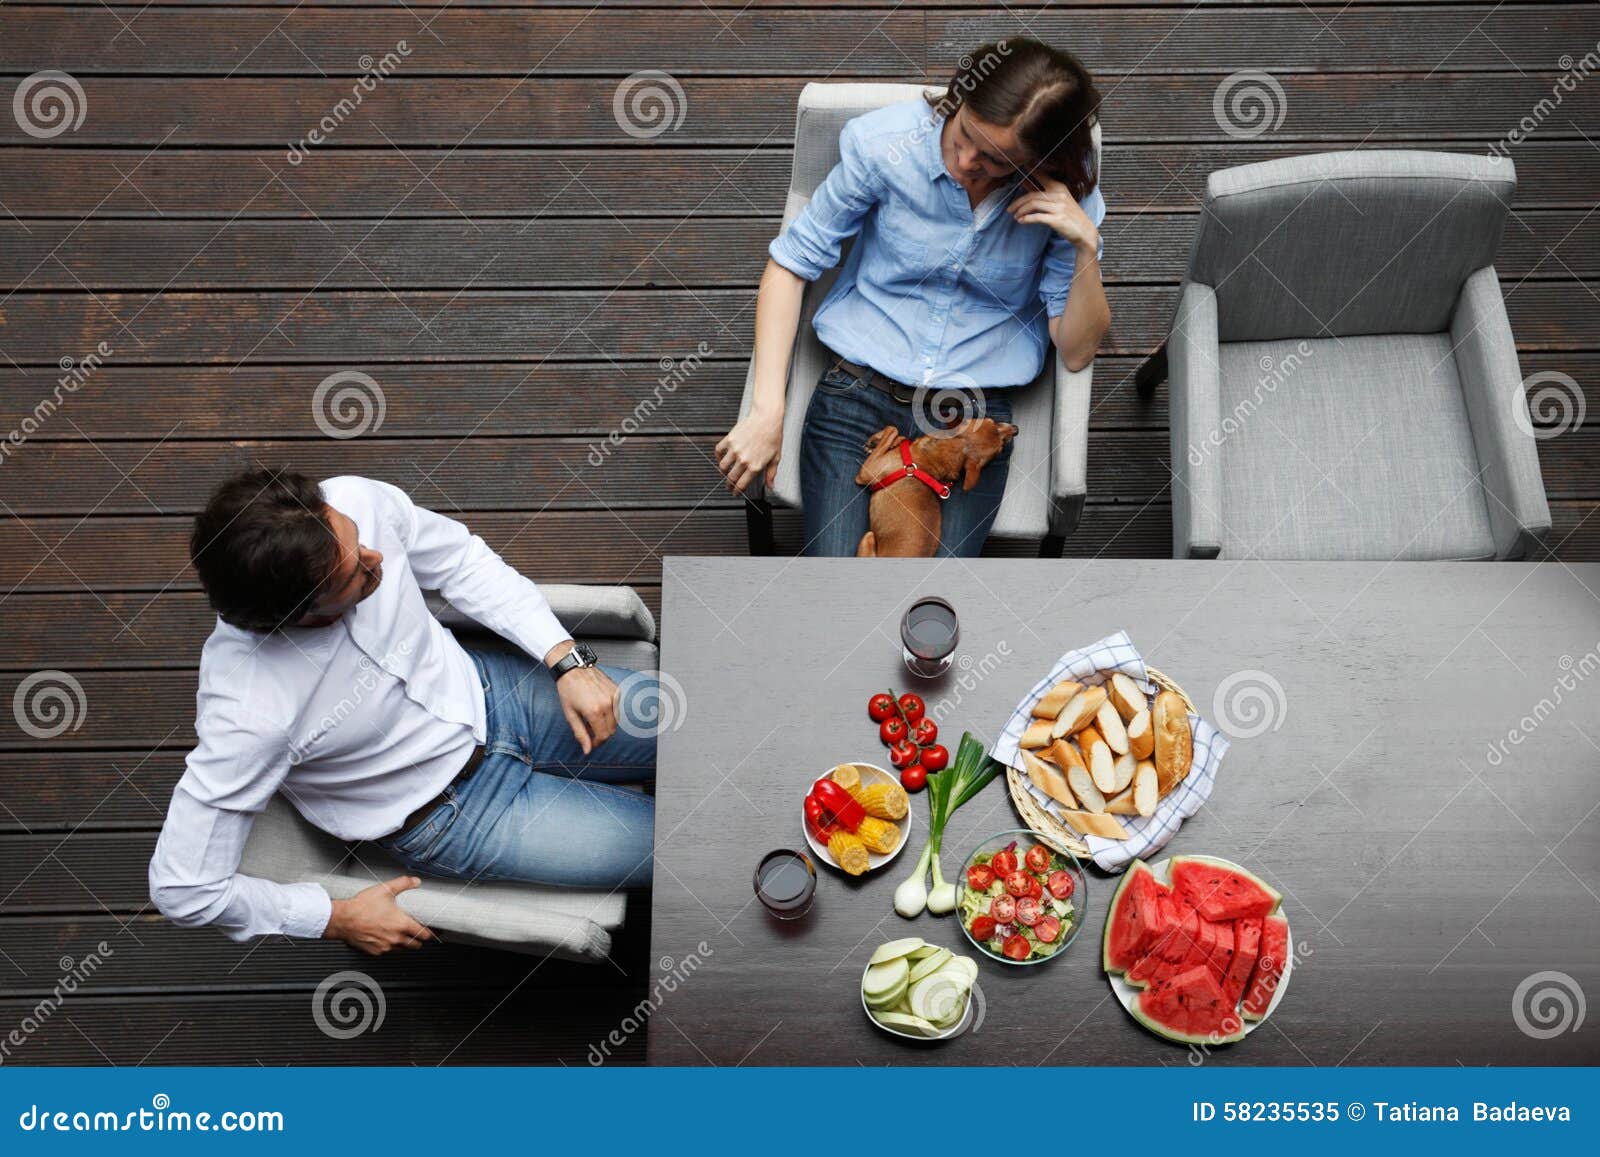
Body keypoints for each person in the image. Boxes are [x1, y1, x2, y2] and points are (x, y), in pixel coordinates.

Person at [148, 469, 656, 955]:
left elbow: (461, 562)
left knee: (704, 728)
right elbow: (183, 889)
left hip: (495, 691)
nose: (376, 557)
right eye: (355, 572)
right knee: (686, 845)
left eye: (356, 540)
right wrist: (333, 917)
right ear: (297, 615)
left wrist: (567, 662)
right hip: (453, 816)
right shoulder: (247, 715)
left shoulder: (356, 503)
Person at [715, 39, 1111, 556]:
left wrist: (1085, 246)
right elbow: (791, 264)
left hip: (968, 416)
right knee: (839, 596)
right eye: (964, 133)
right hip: (855, 394)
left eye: (995, 160)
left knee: (928, 614)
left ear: (1042, 159)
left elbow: (1077, 349)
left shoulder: (1068, 199)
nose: (966, 160)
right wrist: (767, 409)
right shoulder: (885, 145)